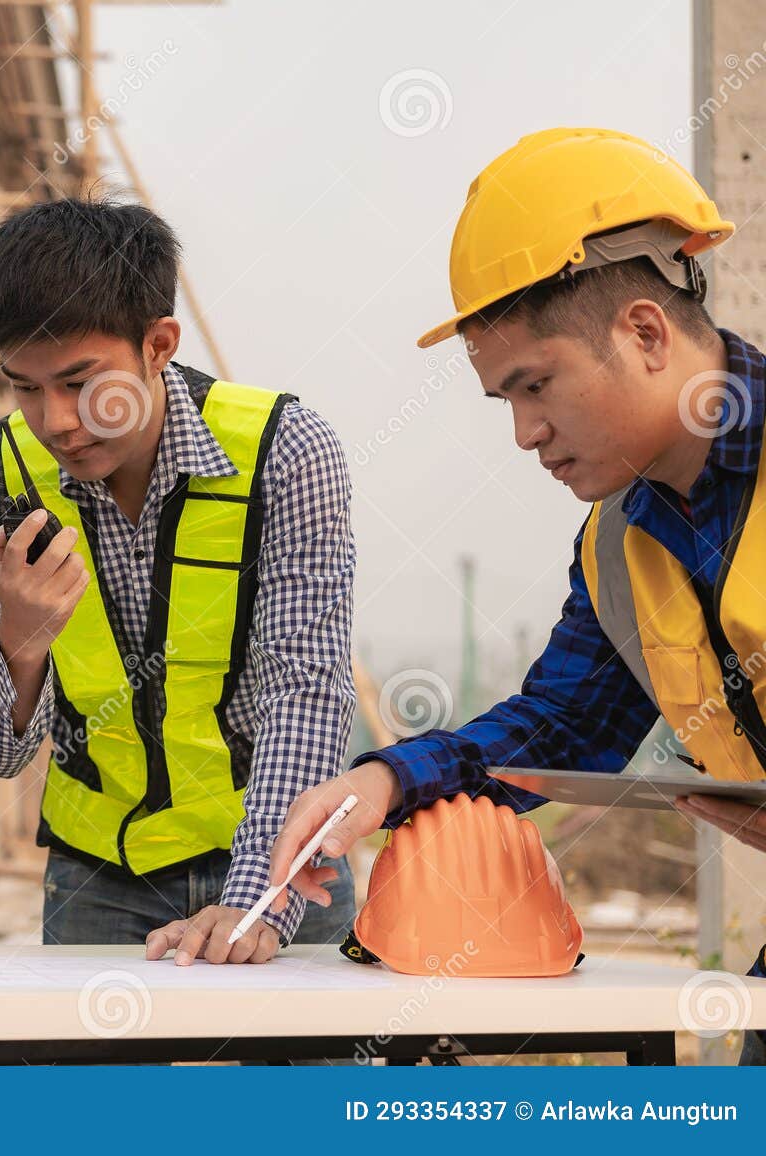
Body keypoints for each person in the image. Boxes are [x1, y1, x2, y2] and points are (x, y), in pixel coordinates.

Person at [266, 127, 765, 1061]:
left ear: (645, 332)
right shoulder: (620, 542)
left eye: (536, 386)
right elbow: (563, 729)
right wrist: (384, 780)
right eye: (505, 400)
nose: (526, 433)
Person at [0, 197, 357, 964]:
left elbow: (307, 688)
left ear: (158, 344)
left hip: (277, 860)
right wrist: (21, 648)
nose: (56, 421)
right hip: (94, 881)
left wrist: (258, 901)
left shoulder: (285, 457)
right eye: (25, 388)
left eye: (79, 381)